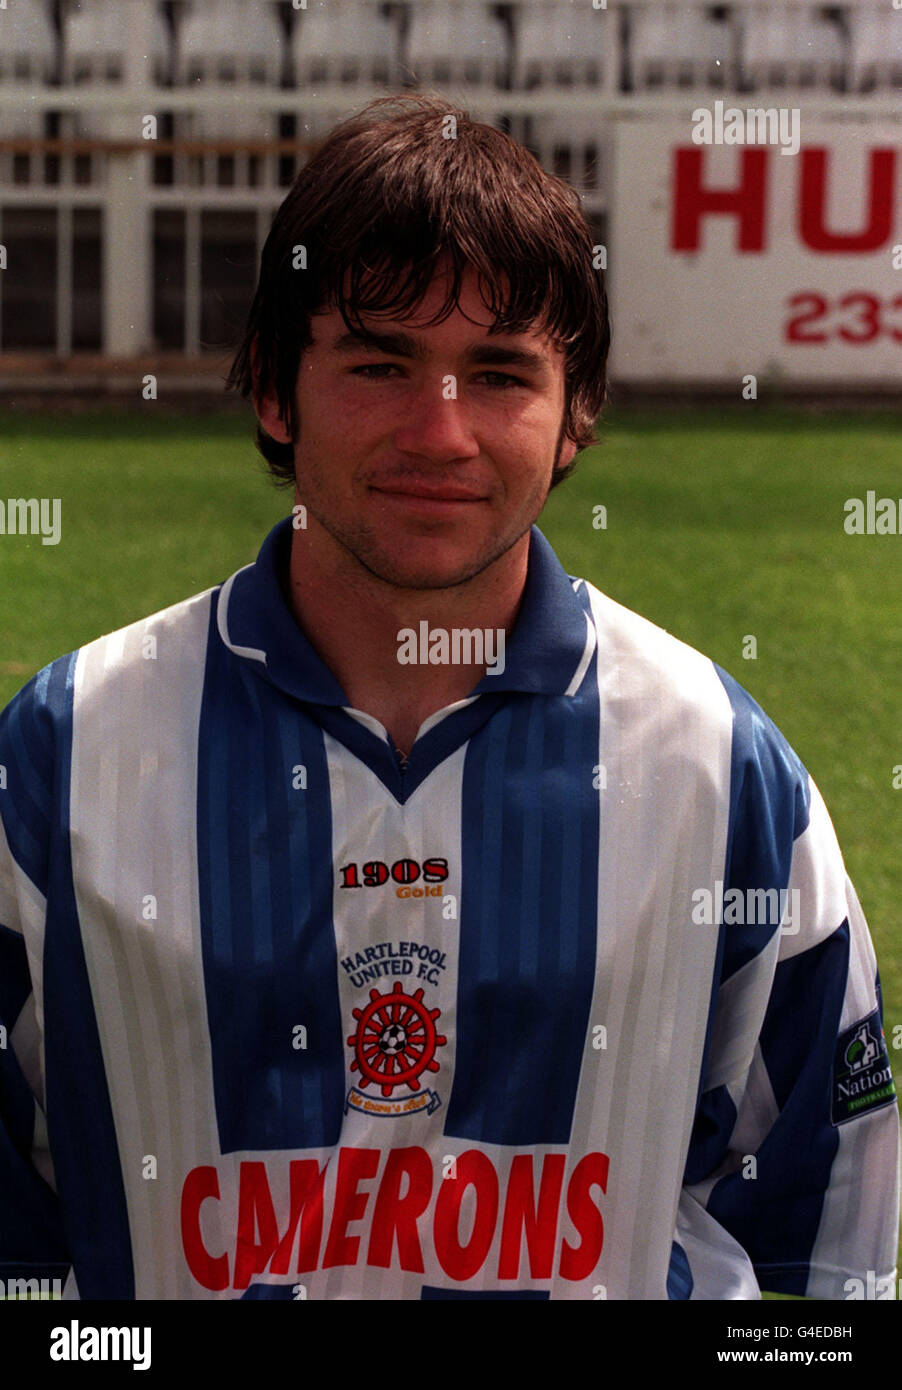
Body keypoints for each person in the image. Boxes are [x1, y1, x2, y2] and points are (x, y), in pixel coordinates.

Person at [0, 94, 897, 1302]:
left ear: (574, 411)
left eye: (498, 374)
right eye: (380, 363)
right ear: (274, 385)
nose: (443, 430)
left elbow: (831, 1229)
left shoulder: (714, 762)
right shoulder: (70, 750)